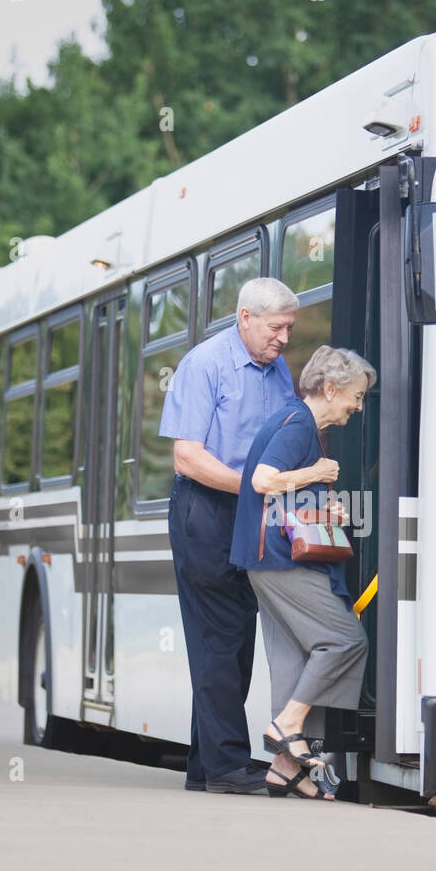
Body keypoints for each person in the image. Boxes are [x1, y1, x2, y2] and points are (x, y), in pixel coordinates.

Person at [160, 278, 299, 793]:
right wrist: (253, 487)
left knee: (235, 638)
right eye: (276, 327)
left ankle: (206, 766)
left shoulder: (278, 369)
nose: (284, 338)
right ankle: (227, 766)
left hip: (250, 510)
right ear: (245, 317)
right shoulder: (205, 364)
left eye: (289, 328)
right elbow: (187, 456)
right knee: (218, 637)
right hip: (206, 510)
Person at [230, 345, 377, 800]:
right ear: (330, 389)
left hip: (268, 559)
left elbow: (283, 496)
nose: (358, 406)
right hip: (281, 560)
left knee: (293, 659)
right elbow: (263, 480)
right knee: (345, 640)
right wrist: (316, 473)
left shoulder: (300, 425)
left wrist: (326, 509)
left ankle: (284, 768)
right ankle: (288, 724)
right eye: (356, 396)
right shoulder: (298, 424)